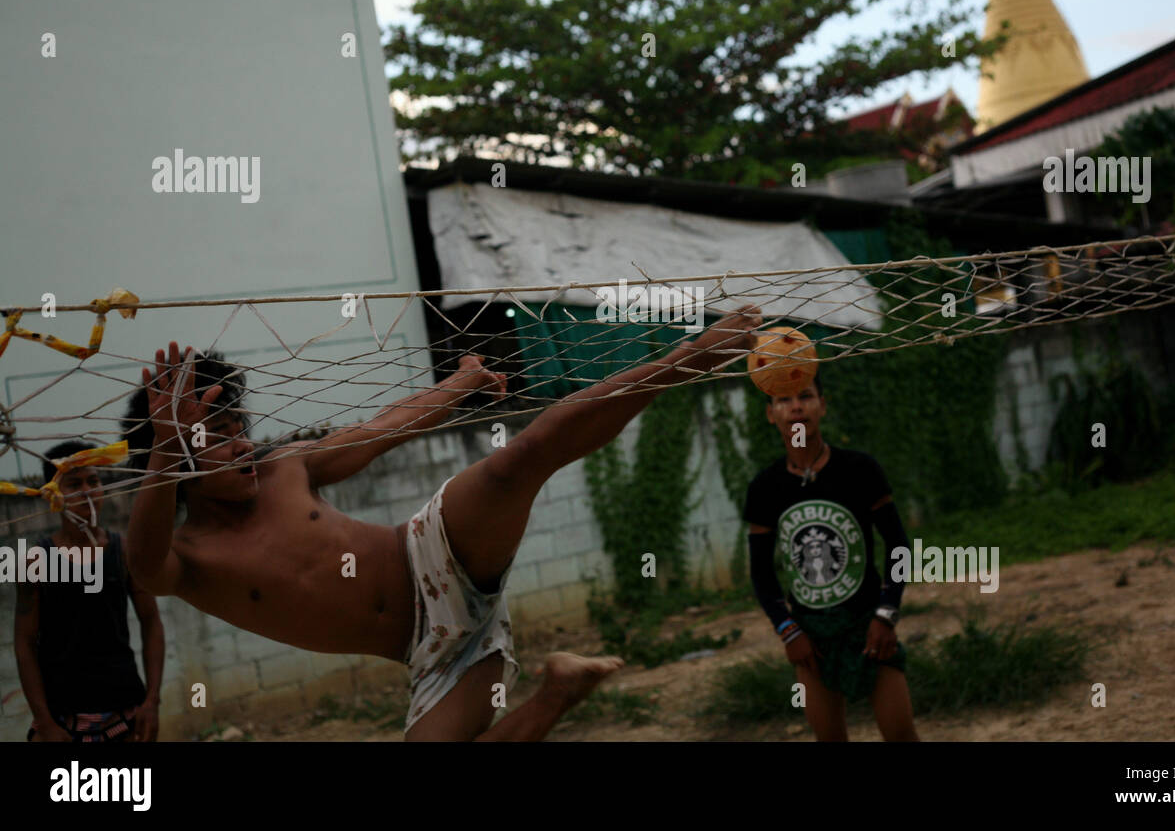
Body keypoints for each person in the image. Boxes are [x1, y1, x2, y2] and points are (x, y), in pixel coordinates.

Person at [122, 309, 758, 741]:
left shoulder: (285, 465)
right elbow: (143, 565)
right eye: (214, 438)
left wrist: (462, 382)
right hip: (433, 656)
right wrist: (163, 450)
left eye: (240, 429)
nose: (240, 446)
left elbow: (387, 426)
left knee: (519, 461)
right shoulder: (187, 556)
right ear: (174, 463)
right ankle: (558, 688)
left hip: (433, 551)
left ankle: (699, 352)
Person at [744, 373, 920, 741]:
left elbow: (898, 545)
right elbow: (761, 574)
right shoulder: (764, 488)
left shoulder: (860, 469)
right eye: (783, 401)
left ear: (822, 406)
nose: (796, 407)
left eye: (805, 396)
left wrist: (886, 614)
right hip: (810, 636)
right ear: (770, 414)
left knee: (901, 734)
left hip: (868, 625)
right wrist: (788, 630)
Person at [14, 441, 165, 742]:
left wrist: (151, 702)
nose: (87, 490)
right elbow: (25, 642)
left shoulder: (124, 551)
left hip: (125, 715)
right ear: (52, 494)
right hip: (62, 721)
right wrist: (44, 722)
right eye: (74, 484)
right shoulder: (35, 560)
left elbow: (151, 622)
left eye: (93, 481)